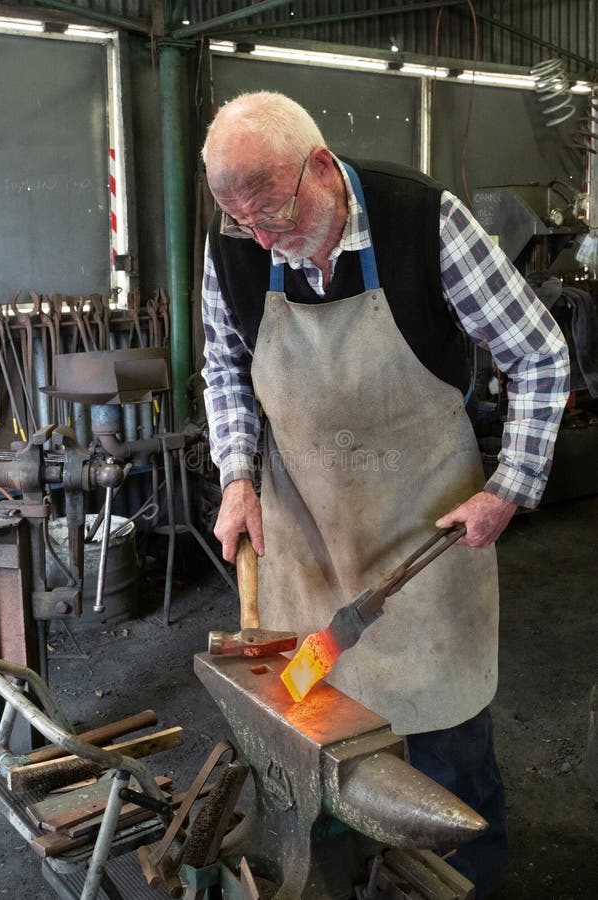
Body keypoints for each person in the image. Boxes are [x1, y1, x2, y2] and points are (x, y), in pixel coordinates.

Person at [200, 91, 569, 897]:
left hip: (424, 546)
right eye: (242, 222)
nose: (262, 240)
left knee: (447, 755)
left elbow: (540, 355)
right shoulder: (234, 242)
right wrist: (235, 474)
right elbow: (223, 365)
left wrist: (508, 487)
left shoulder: (422, 222)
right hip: (306, 545)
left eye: (274, 216)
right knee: (313, 745)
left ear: (323, 170)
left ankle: (467, 881)